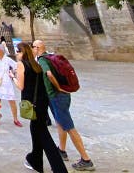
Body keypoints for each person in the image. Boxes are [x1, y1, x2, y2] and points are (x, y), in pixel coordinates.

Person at [33, 40, 94, 171]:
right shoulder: (50, 56)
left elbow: (48, 74)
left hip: (57, 96)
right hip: (60, 96)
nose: (32, 49)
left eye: (33, 46)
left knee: (69, 127)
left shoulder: (43, 60)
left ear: (38, 48)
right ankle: (62, 150)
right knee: (60, 123)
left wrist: (58, 87)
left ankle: (86, 159)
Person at [13, 42, 67, 173]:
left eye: (18, 52)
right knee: (35, 130)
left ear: (23, 52)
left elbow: (20, 86)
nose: (16, 54)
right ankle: (35, 160)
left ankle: (59, 168)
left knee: (43, 135)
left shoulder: (22, 64)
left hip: (33, 104)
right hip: (42, 103)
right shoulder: (36, 64)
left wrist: (12, 77)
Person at [0, 43, 22, 127]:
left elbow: (16, 67)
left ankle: (15, 119)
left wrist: (13, 74)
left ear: (2, 50)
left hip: (6, 83)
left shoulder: (7, 59)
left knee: (12, 101)